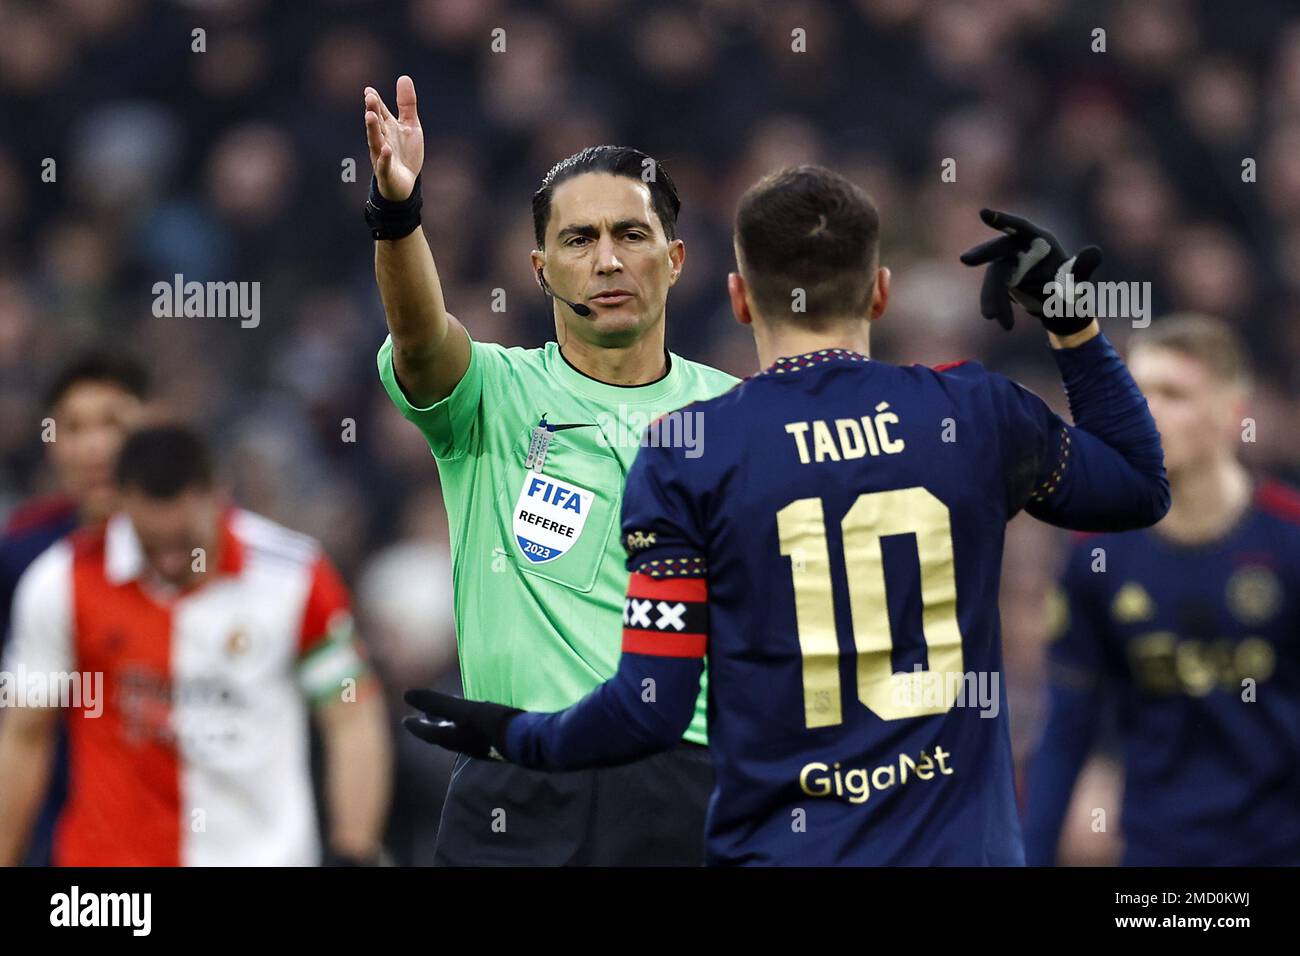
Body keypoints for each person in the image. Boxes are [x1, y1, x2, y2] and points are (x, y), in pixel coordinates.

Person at [403, 166, 1170, 865]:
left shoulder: (693, 451)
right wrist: (1072, 324)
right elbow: (1139, 483)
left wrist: (512, 734)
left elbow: (650, 708)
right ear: (880, 292)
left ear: (739, 297)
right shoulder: (972, 417)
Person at [363, 75, 737, 864]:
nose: (607, 260)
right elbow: (423, 339)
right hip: (518, 782)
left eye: (631, 236)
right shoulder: (491, 395)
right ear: (539, 269)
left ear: (674, 260)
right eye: (578, 239)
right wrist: (399, 217)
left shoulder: (739, 413)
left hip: (691, 784)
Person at [0, 426, 391, 866]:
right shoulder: (62, 579)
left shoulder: (292, 575)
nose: (168, 561)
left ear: (216, 496)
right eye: (152, 545)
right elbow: (24, 736)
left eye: (184, 543)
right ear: (123, 505)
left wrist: (354, 851)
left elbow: (352, 716)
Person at [1023, 314, 1300, 866]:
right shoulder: (1095, 557)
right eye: (1136, 391)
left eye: (1173, 394)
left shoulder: (1290, 540)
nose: (1145, 411)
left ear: (1231, 414)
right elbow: (1066, 731)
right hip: (1157, 863)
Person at [0, 352, 150, 866]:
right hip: (56, 835)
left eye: (114, 423)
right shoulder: (21, 559)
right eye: (73, 428)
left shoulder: (208, 553)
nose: (95, 447)